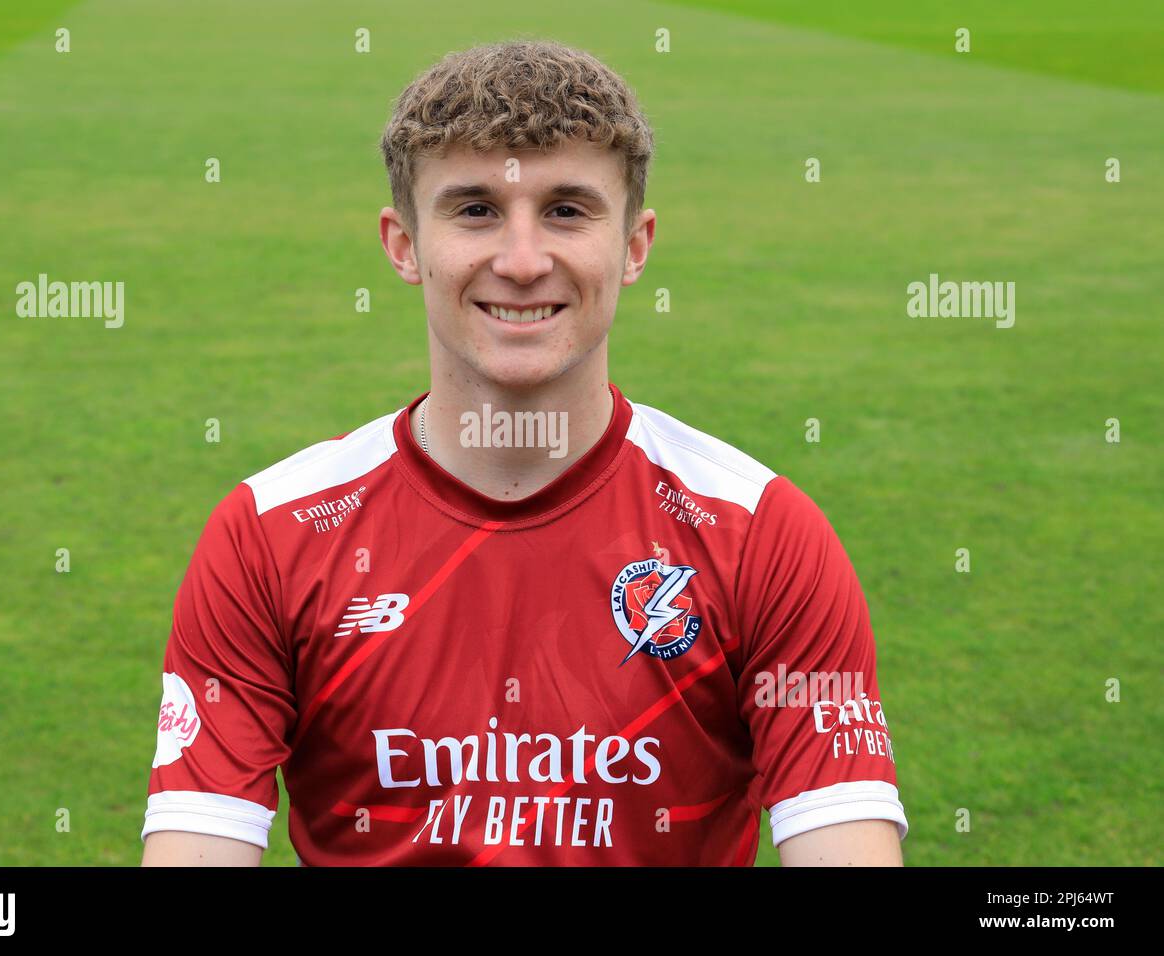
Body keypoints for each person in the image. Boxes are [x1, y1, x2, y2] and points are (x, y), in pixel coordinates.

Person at [141, 39, 907, 866]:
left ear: (636, 245)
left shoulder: (761, 535)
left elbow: (844, 842)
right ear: (402, 245)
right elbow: (197, 844)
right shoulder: (271, 534)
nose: (521, 261)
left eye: (567, 210)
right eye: (474, 210)